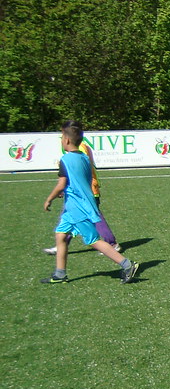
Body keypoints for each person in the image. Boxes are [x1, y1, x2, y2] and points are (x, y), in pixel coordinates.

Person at [41, 123, 139, 284]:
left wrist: (49, 198)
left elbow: (61, 183)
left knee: (93, 240)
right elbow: (79, 180)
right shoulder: (84, 157)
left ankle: (127, 265)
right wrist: (66, 191)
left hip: (77, 207)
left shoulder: (65, 160)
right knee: (60, 235)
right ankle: (60, 274)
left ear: (66, 140)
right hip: (73, 206)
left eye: (61, 138)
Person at [43, 119, 120, 255]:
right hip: (80, 190)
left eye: (62, 133)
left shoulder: (80, 149)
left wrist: (64, 186)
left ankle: (111, 243)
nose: (62, 137)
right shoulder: (80, 147)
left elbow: (80, 171)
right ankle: (61, 243)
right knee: (70, 217)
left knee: (94, 217)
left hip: (85, 190)